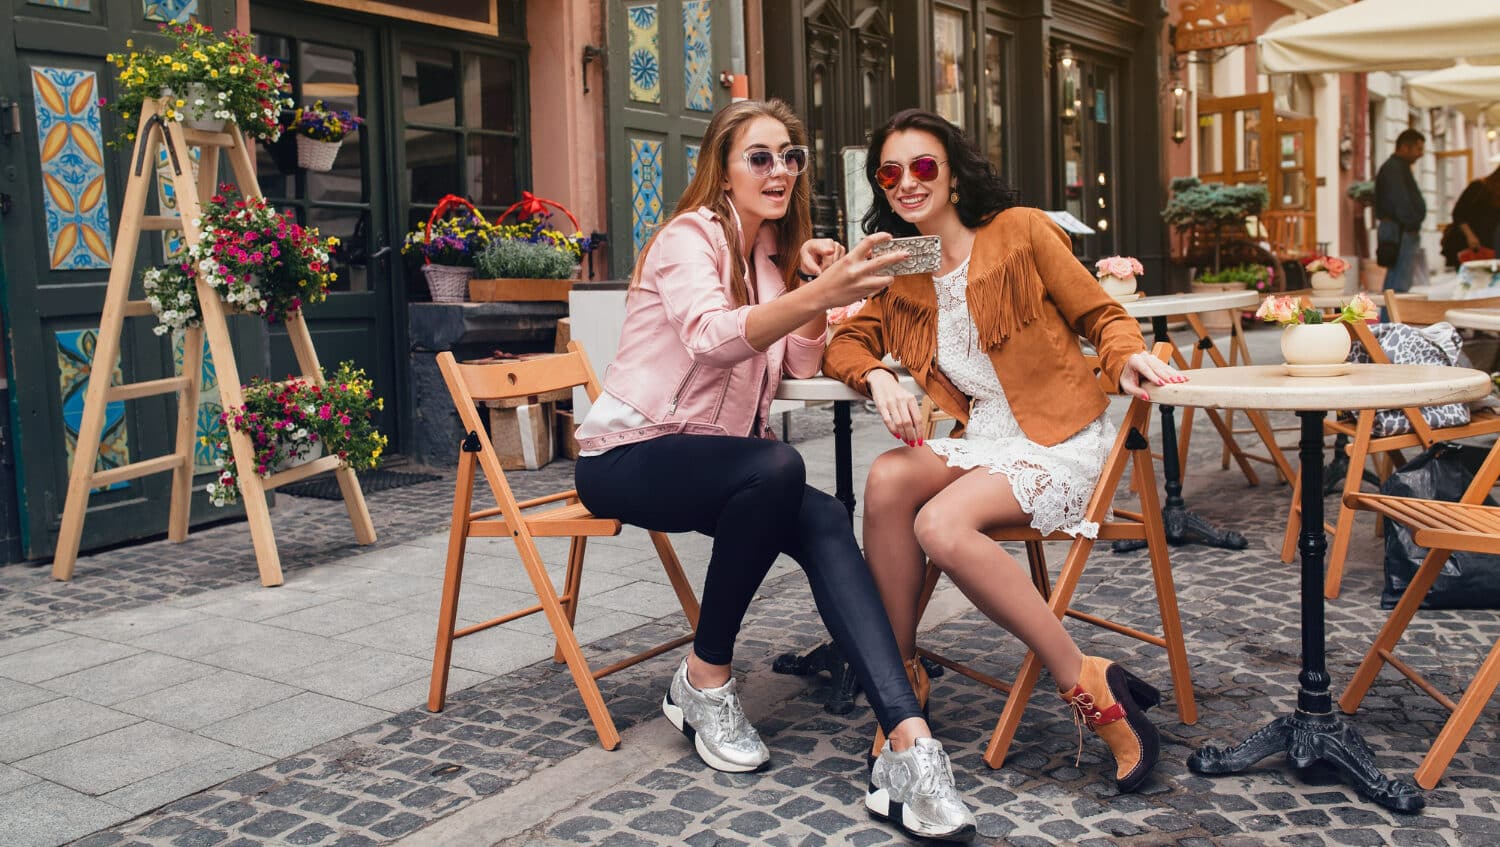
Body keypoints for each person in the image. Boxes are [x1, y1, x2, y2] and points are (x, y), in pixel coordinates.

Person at [572, 99, 977, 842]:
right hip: (628, 456)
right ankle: (705, 677)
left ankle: (910, 746)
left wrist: (824, 292)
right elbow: (710, 338)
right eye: (760, 156)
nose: (780, 170)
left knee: (820, 512)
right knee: (777, 465)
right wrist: (814, 291)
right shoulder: (687, 239)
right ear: (722, 171)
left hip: (726, 466)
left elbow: (794, 359)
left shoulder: (768, 261)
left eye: (790, 156)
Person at [822, 109, 1183, 794]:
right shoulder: (910, 263)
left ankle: (1086, 681)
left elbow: (1099, 312)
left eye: (923, 166)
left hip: (1060, 438)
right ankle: (901, 680)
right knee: (887, 477)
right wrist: (877, 374)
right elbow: (844, 342)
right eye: (890, 172)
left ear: (954, 173)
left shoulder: (1017, 231)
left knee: (939, 523)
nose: (906, 183)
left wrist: (1128, 355)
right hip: (986, 436)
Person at [1375, 129, 1427, 292]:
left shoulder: (1398, 168)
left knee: (1400, 279)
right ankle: (1391, 317)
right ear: (1405, 147)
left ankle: (1392, 315)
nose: (1421, 154)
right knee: (1399, 281)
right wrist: (1411, 224)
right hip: (1400, 230)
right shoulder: (1394, 169)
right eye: (1418, 149)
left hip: (1400, 228)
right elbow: (1401, 202)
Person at [1441, 166, 1500, 268]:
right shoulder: (1478, 187)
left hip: (1489, 244)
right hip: (1469, 242)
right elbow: (1458, 214)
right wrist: (1470, 236)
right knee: (1471, 277)